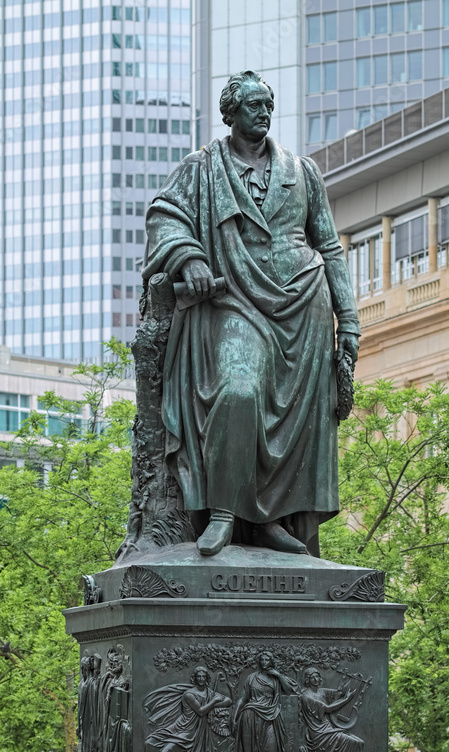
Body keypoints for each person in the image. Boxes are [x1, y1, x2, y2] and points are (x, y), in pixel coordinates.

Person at [144, 69, 360, 558]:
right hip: (234, 300)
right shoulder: (202, 167)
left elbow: (329, 245)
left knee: (294, 420)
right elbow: (164, 216)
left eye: (267, 104)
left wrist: (348, 319)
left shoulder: (301, 171)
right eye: (253, 105)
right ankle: (226, 511)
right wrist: (189, 257)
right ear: (230, 113)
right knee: (238, 391)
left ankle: (271, 521)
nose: (263, 112)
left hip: (304, 303)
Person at [135, 666, 232, 752]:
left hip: (193, 732)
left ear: (207, 679)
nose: (201, 679)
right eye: (198, 676)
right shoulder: (189, 694)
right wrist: (215, 701)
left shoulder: (209, 693)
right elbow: (201, 711)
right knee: (150, 743)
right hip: (181, 728)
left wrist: (213, 702)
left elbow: (229, 701)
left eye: (204, 676)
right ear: (194, 678)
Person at [231, 650, 297, 752]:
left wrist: (279, 675)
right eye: (262, 659)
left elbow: (289, 690)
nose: (264, 661)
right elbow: (243, 698)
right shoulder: (251, 678)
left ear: (271, 661)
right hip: (250, 715)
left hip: (270, 717)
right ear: (259, 661)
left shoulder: (275, 678)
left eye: (267, 659)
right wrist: (234, 718)